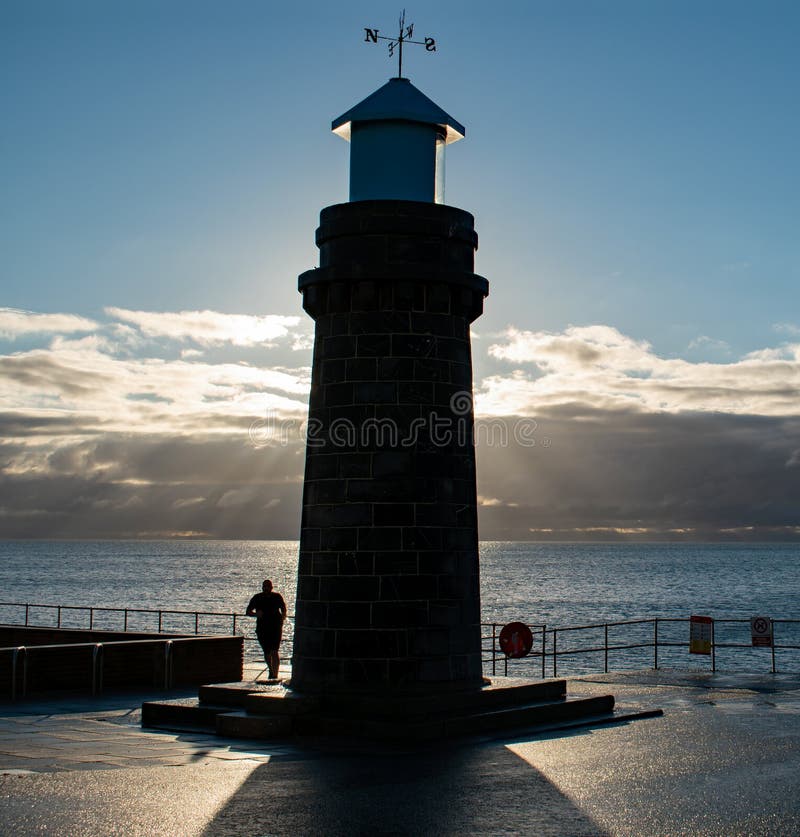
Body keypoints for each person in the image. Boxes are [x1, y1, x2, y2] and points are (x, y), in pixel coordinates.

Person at [246, 579, 287, 680]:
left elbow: (283, 609)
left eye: (268, 586)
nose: (266, 588)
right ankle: (271, 670)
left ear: (271, 587)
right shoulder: (257, 597)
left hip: (275, 628)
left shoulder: (277, 597)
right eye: (264, 586)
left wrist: (282, 618)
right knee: (267, 652)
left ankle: (275, 674)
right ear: (262, 587)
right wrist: (256, 614)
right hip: (262, 628)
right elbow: (248, 611)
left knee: (274, 651)